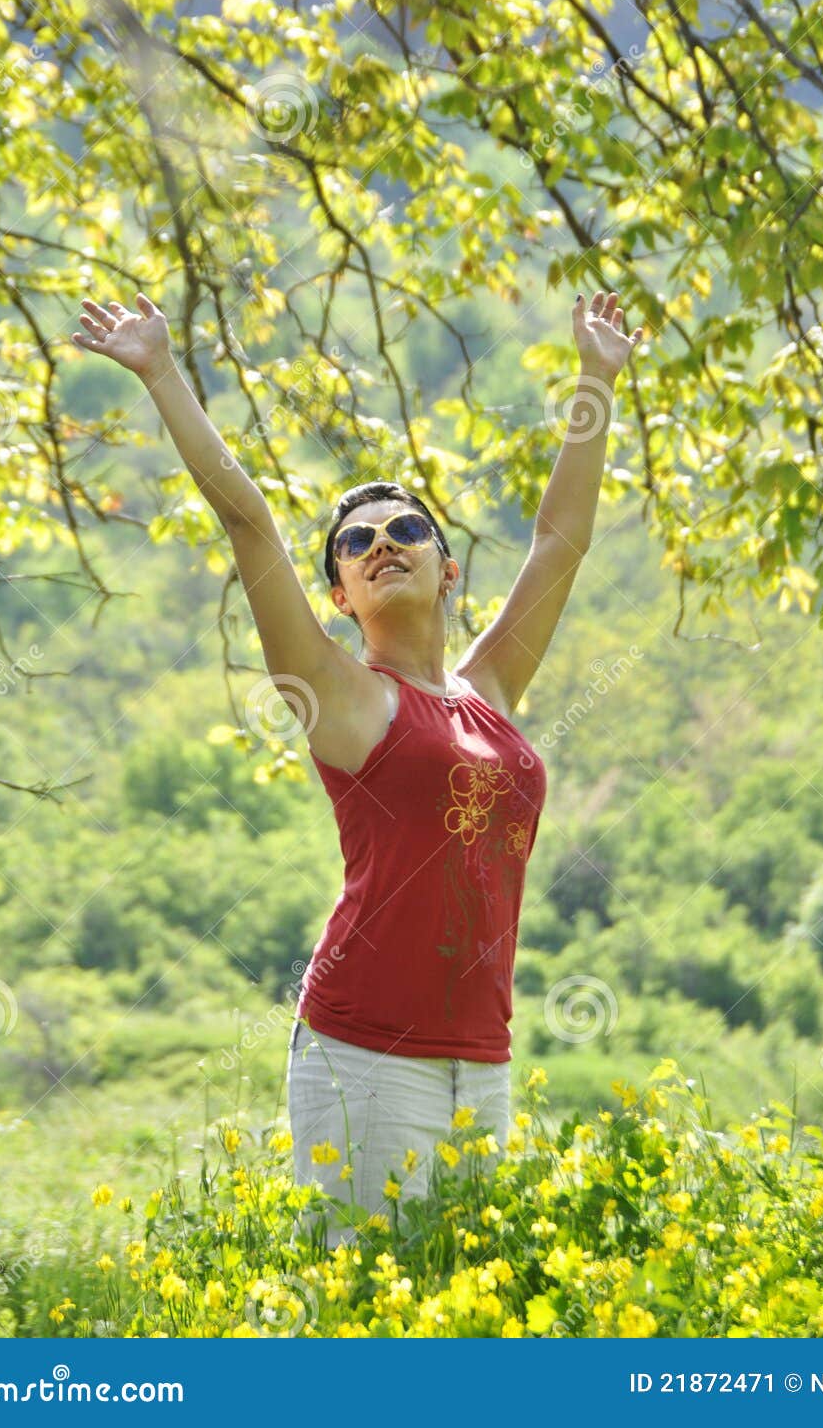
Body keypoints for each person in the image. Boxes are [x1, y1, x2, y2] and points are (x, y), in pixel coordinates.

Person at [71, 288, 643, 1243]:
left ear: (447, 567)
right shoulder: (338, 694)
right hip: (365, 1056)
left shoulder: (490, 687)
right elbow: (251, 528)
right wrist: (163, 372)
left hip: (484, 1058)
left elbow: (560, 540)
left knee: (461, 1321)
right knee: (365, 1319)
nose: (383, 543)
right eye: (356, 542)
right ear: (338, 593)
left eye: (407, 530)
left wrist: (595, 378)